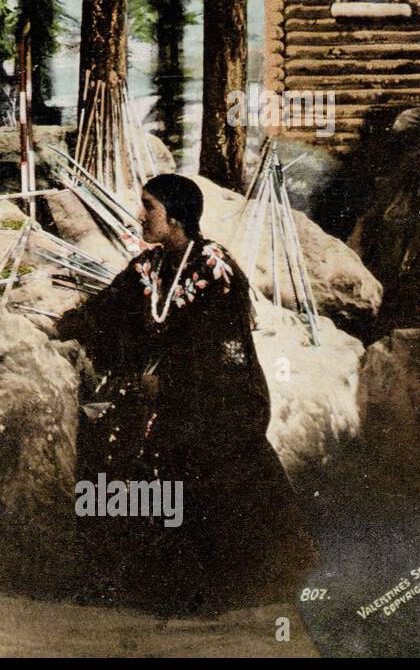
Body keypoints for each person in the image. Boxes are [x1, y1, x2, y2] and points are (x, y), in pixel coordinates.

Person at [54, 173, 318, 616]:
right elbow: (108, 305)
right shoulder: (150, 265)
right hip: (162, 393)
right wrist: (63, 327)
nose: (141, 215)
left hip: (219, 395)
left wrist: (169, 380)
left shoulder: (215, 268)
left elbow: (220, 347)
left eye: (149, 206)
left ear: (175, 217)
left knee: (199, 461)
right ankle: (136, 579)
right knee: (111, 449)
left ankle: (214, 585)